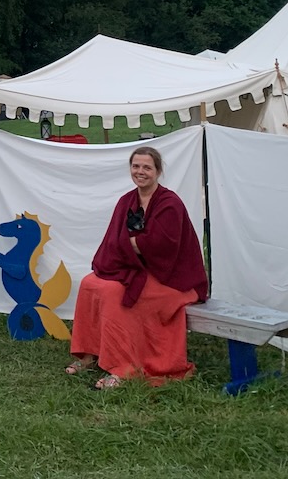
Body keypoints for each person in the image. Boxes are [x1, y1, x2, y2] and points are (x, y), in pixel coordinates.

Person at [66, 145, 207, 389]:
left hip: (170, 277)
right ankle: (88, 354)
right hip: (135, 268)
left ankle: (123, 367)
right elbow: (115, 240)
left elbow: (162, 246)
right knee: (90, 283)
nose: (140, 171)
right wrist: (130, 244)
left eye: (147, 167)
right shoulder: (126, 201)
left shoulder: (170, 203)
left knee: (118, 293)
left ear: (158, 171)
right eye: (136, 166)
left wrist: (129, 243)